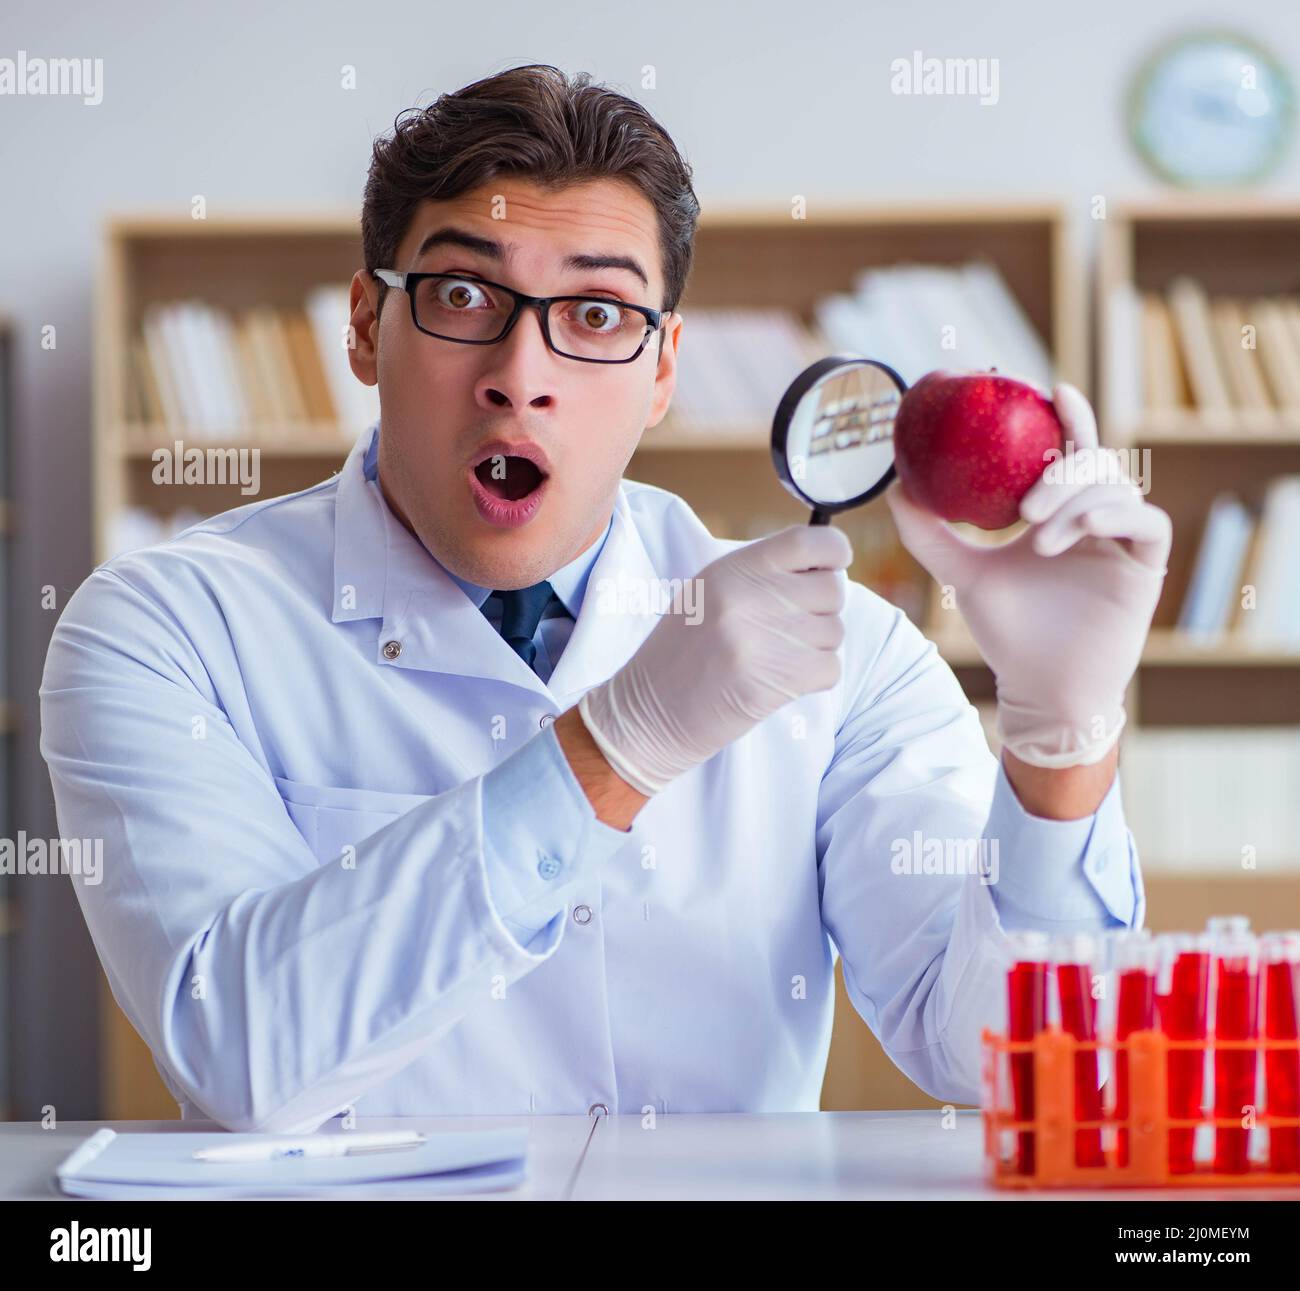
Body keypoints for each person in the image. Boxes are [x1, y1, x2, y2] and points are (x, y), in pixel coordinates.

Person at [40, 64, 1170, 1133]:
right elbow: (239, 1052)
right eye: (464, 291)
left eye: (594, 315)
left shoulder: (849, 657)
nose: (520, 372)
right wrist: (616, 748)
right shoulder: (166, 628)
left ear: (664, 367)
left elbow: (1008, 1058)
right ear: (364, 327)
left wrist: (1058, 739)